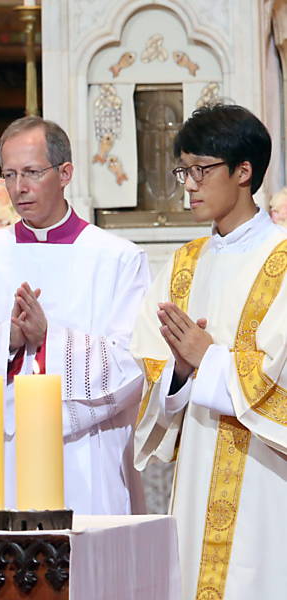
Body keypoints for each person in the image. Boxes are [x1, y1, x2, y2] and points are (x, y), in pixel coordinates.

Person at [0, 116, 150, 514]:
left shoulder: (118, 258)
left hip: (84, 454)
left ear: (65, 173)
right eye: (9, 175)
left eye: (31, 172)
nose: (19, 188)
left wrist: (49, 339)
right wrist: (6, 341)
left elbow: (134, 364)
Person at [132, 104, 287, 600]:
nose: (189, 185)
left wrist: (208, 358)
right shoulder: (183, 265)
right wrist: (178, 375)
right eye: (184, 170)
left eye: (202, 170)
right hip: (198, 465)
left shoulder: (282, 260)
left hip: (268, 477)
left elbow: (279, 378)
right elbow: (152, 370)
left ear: (244, 172)